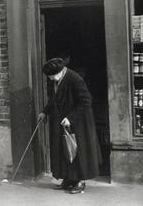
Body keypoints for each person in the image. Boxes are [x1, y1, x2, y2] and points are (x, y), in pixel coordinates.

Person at [38, 58, 102, 194]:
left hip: (78, 123)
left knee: (77, 152)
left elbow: (85, 101)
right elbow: (53, 99)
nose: (50, 79)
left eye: (51, 76)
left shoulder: (75, 79)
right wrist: (45, 112)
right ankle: (68, 179)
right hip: (63, 121)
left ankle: (80, 181)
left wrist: (70, 118)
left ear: (60, 71)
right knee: (65, 151)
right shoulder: (57, 80)